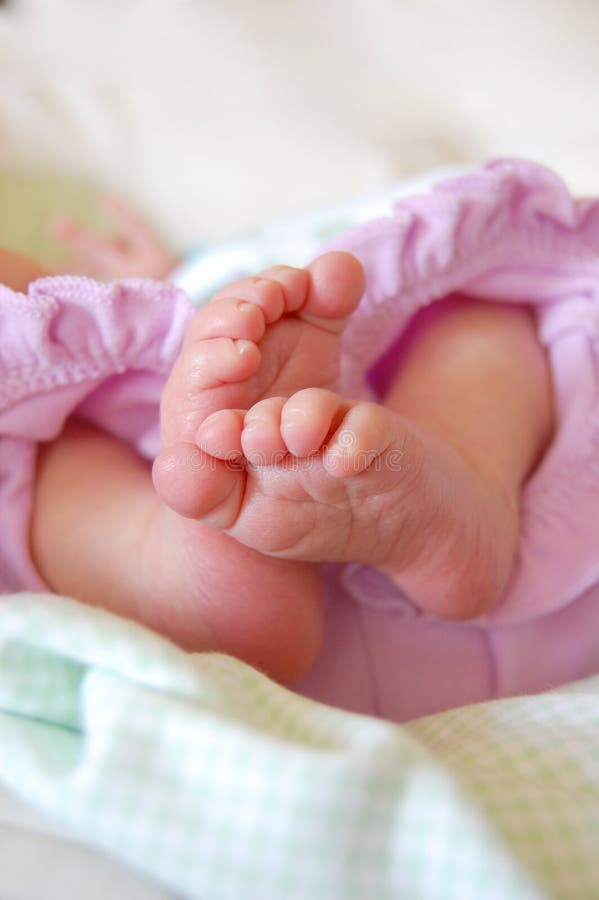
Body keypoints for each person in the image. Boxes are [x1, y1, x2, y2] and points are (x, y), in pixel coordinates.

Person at [2, 159, 598, 723]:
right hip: (382, 617)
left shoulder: (153, 312)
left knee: (474, 311)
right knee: (475, 319)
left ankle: (460, 487)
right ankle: (229, 520)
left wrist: (164, 281)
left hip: (441, 484)